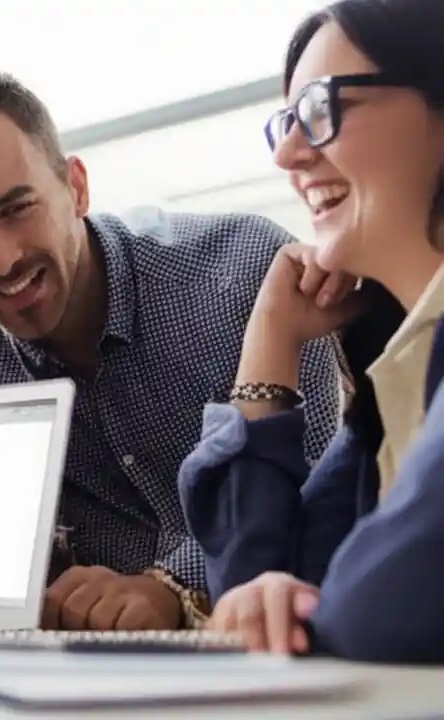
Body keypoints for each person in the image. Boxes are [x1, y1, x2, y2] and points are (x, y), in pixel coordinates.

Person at [0, 67, 342, 631]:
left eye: (17, 209)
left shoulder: (245, 271)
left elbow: (315, 487)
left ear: (76, 187)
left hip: (269, 645)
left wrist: (171, 587)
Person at [179, 0, 444, 661]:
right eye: (287, 124)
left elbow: (379, 609)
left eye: (321, 110)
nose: (289, 155)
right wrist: (270, 340)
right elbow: (253, 601)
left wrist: (316, 607)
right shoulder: (403, 373)